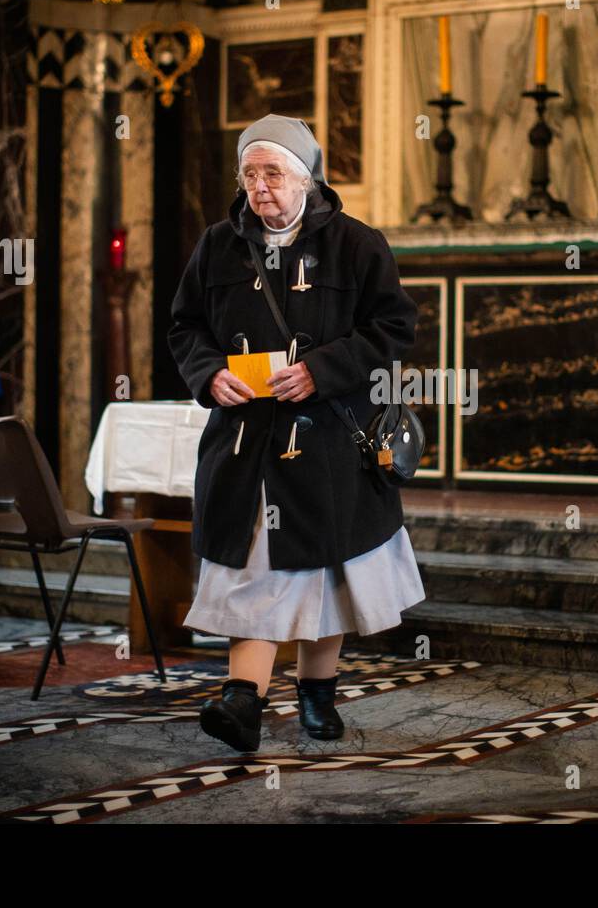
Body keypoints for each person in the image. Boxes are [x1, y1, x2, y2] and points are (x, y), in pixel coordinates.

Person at [168, 114, 427, 753]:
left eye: (273, 173)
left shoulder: (358, 245)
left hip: (330, 444)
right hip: (244, 446)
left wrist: (321, 371)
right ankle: (242, 699)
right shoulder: (216, 246)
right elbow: (185, 328)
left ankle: (317, 691)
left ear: (306, 180)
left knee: (327, 573)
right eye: (250, 174)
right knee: (249, 563)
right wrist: (209, 375)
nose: (261, 187)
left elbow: (393, 330)